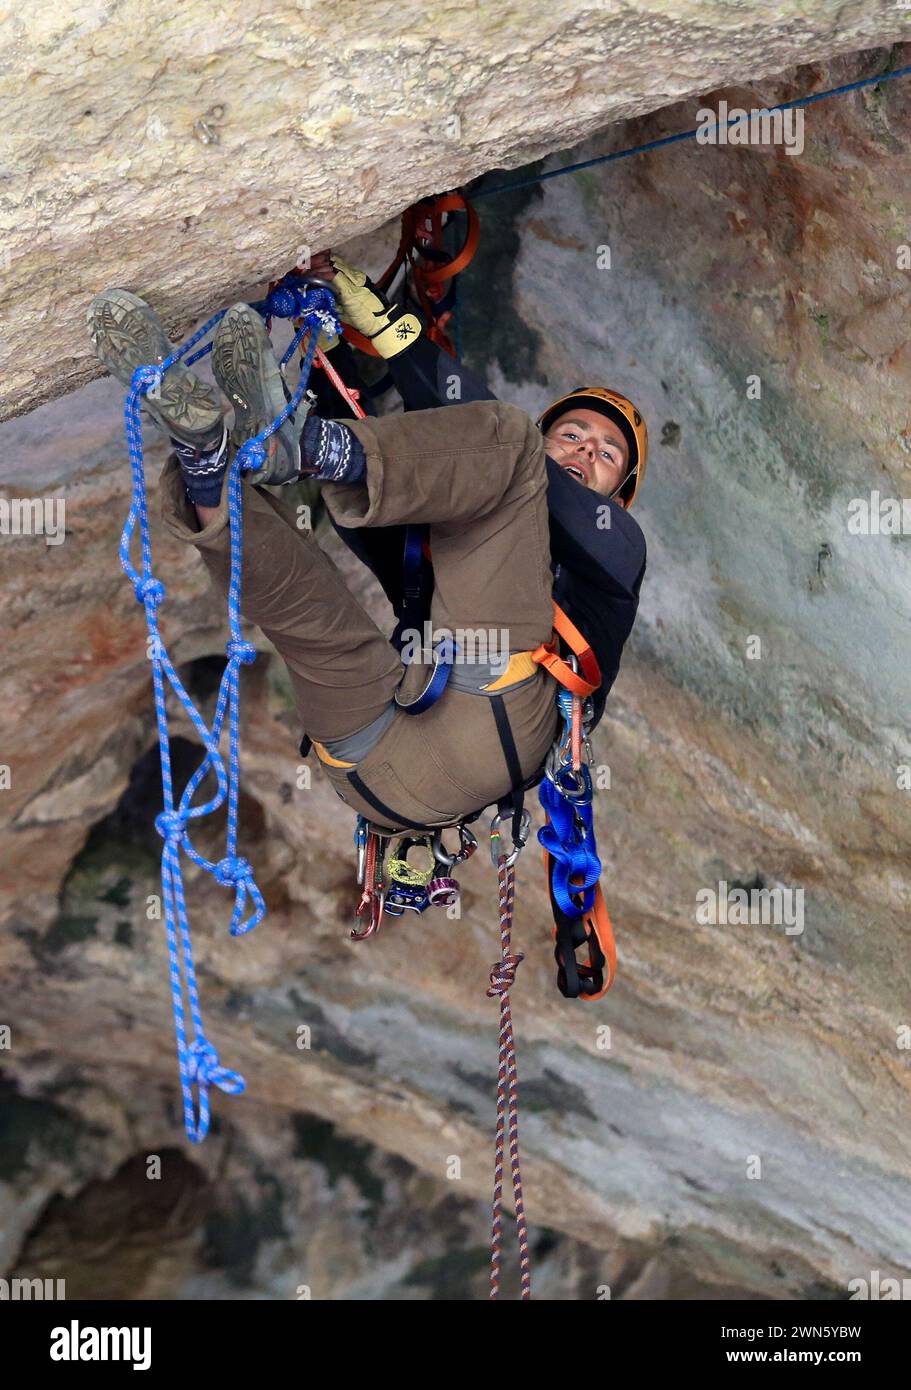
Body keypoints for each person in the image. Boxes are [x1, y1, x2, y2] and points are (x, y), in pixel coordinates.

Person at [86, 251, 647, 836]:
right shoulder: (477, 501)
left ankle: (297, 446)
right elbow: (381, 499)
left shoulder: (618, 557)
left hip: (489, 729)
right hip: (370, 770)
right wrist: (327, 354)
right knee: (304, 608)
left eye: (607, 454)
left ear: (621, 495)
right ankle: (206, 462)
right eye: (572, 435)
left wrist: (393, 334)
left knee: (503, 440)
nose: (585, 451)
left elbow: (508, 454)